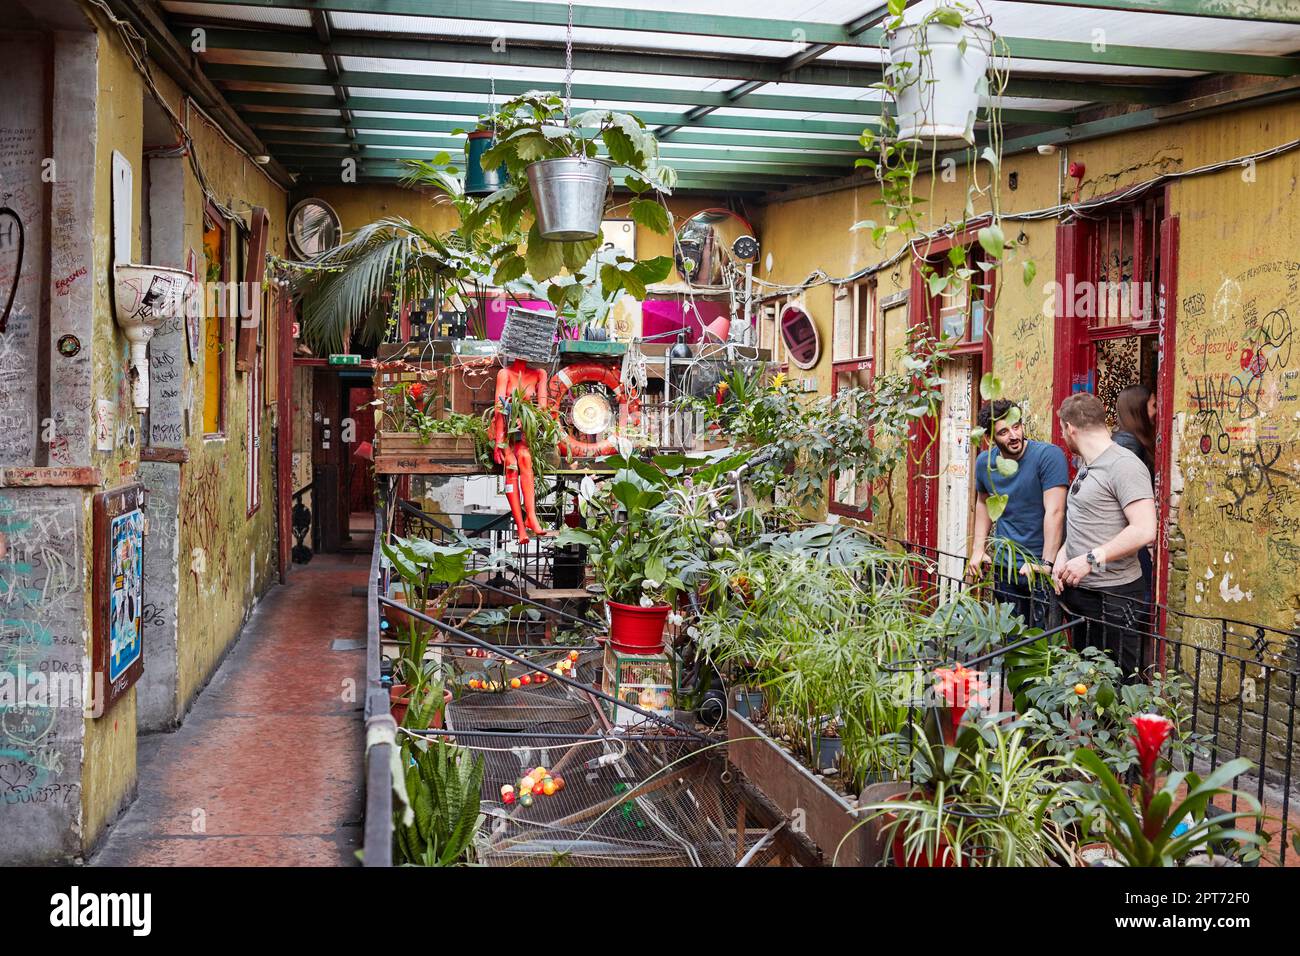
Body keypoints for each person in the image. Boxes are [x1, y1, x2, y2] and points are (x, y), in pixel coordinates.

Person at [1052, 392, 1156, 679]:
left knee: (1119, 686)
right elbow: (1086, 520)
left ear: (1070, 428)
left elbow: (1145, 528)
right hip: (1083, 594)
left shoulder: (1123, 465)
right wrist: (1063, 555)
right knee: (1089, 684)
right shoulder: (1089, 463)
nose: (1063, 436)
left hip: (1114, 597)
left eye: (1062, 430)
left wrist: (1088, 559)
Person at [968, 399, 1068, 630]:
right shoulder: (985, 462)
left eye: (1016, 426)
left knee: (1040, 642)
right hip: (1006, 564)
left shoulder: (1048, 457)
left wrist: (1046, 564)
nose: (1013, 435)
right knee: (1010, 637)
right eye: (1003, 432)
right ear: (990, 438)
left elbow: (1055, 511)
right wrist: (978, 549)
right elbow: (984, 502)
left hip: (1040, 567)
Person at [1111, 383, 1156, 595]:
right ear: (1139, 409)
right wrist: (1148, 539)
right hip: (1134, 541)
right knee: (1142, 597)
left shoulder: (1130, 442)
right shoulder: (1128, 445)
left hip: (1134, 538)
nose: (1157, 411)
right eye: (1154, 405)